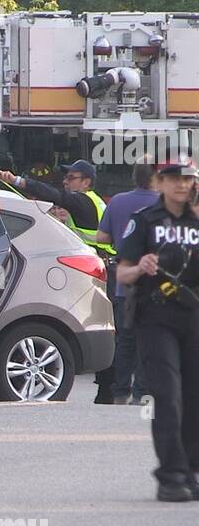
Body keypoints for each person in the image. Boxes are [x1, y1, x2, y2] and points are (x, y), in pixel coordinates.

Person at [0, 160, 118, 403]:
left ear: (86, 182)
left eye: (72, 178)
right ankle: (108, 390)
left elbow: (54, 195)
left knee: (101, 329)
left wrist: (16, 181)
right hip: (95, 269)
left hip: (96, 271)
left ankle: (109, 390)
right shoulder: (89, 202)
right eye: (67, 177)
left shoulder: (84, 201)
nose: (66, 182)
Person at [116, 162, 199, 502]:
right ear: (161, 182)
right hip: (156, 316)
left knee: (194, 397)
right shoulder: (145, 220)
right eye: (175, 179)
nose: (182, 185)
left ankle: (191, 471)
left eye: (188, 179)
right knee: (167, 395)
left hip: (193, 315)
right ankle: (170, 476)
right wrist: (141, 267)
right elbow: (122, 274)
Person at [98, 158, 158, 405]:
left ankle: (120, 390)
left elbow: (101, 236)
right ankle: (141, 391)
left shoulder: (119, 201)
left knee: (125, 339)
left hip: (125, 284)